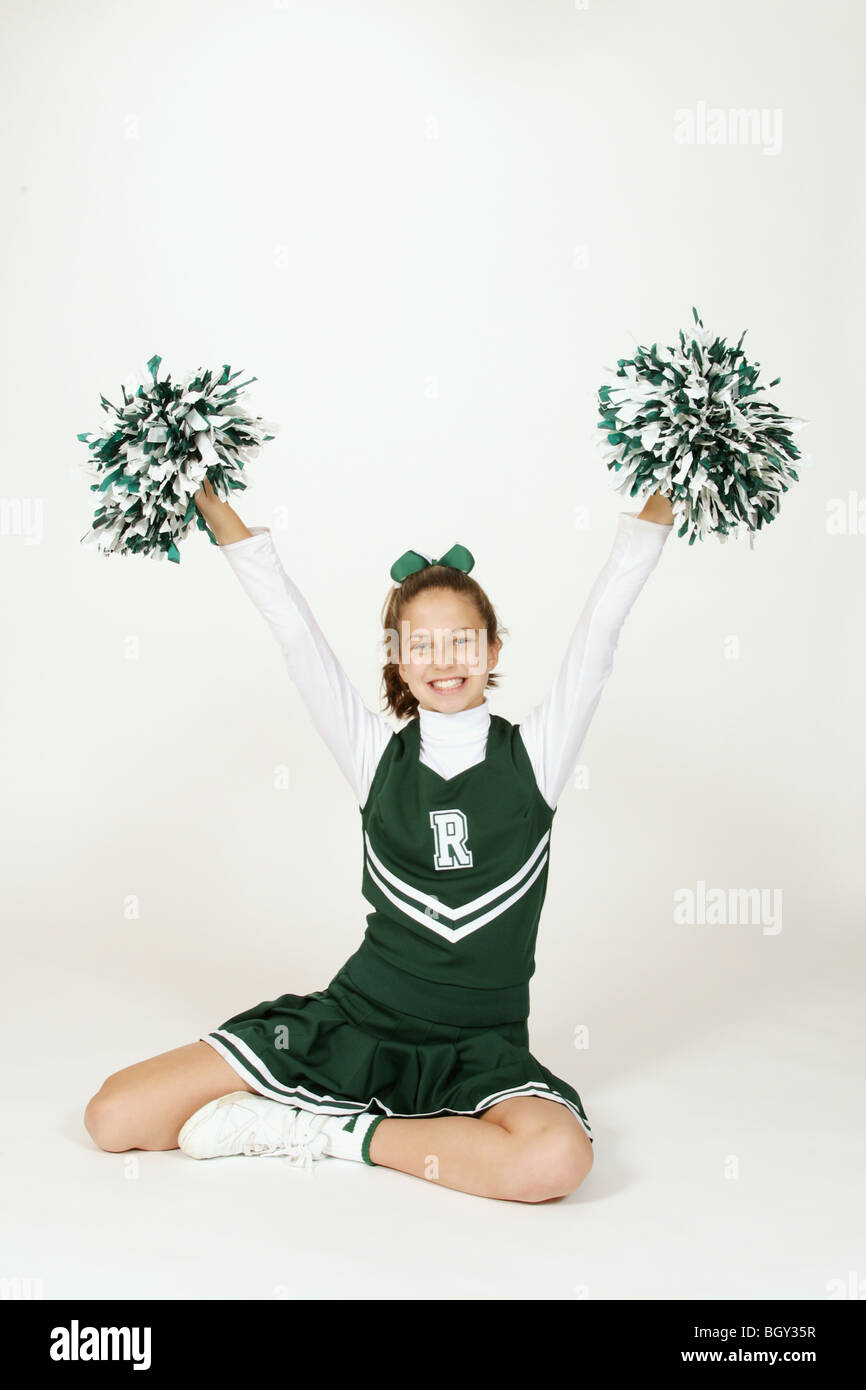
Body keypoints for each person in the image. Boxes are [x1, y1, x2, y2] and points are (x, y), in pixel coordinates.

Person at [84, 480, 674, 1202]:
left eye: (462, 639)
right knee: (114, 1116)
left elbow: (602, 627)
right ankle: (321, 1106)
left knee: (554, 1161)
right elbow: (296, 638)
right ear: (396, 659)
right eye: (420, 644)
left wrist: (671, 487)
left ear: (492, 647)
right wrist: (209, 500)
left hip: (479, 1048)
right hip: (358, 1019)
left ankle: (318, 1134)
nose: (444, 658)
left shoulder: (537, 760)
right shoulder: (374, 757)